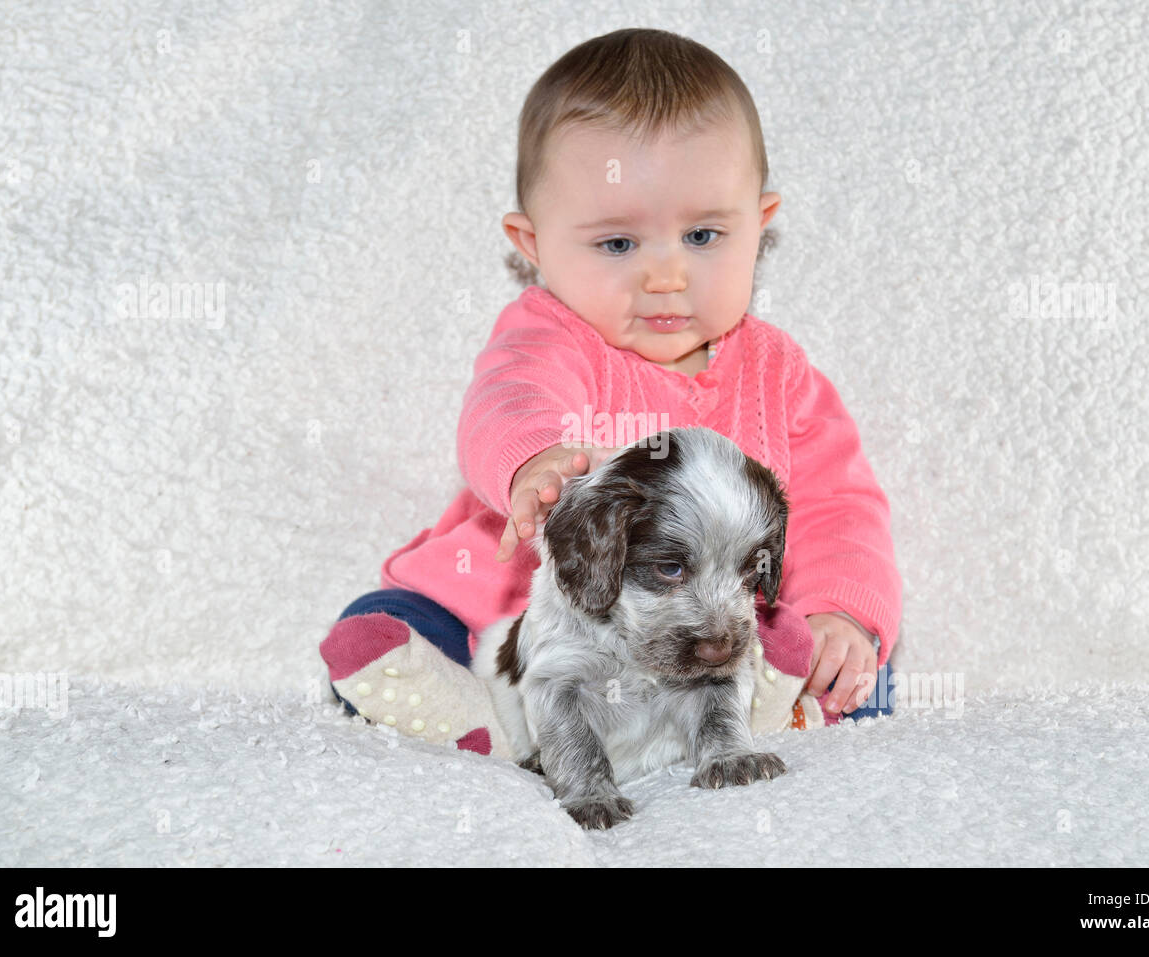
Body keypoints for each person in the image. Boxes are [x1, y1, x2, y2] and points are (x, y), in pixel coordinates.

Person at [319, 28, 903, 757]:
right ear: (531, 246)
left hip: (701, 637)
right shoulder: (552, 333)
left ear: (761, 224)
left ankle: (766, 706)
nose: (665, 276)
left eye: (703, 235)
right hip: (497, 613)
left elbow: (838, 505)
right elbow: (509, 396)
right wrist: (536, 458)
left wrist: (843, 609)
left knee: (847, 664)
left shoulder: (777, 371)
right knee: (388, 625)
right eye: (619, 244)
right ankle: (478, 711)